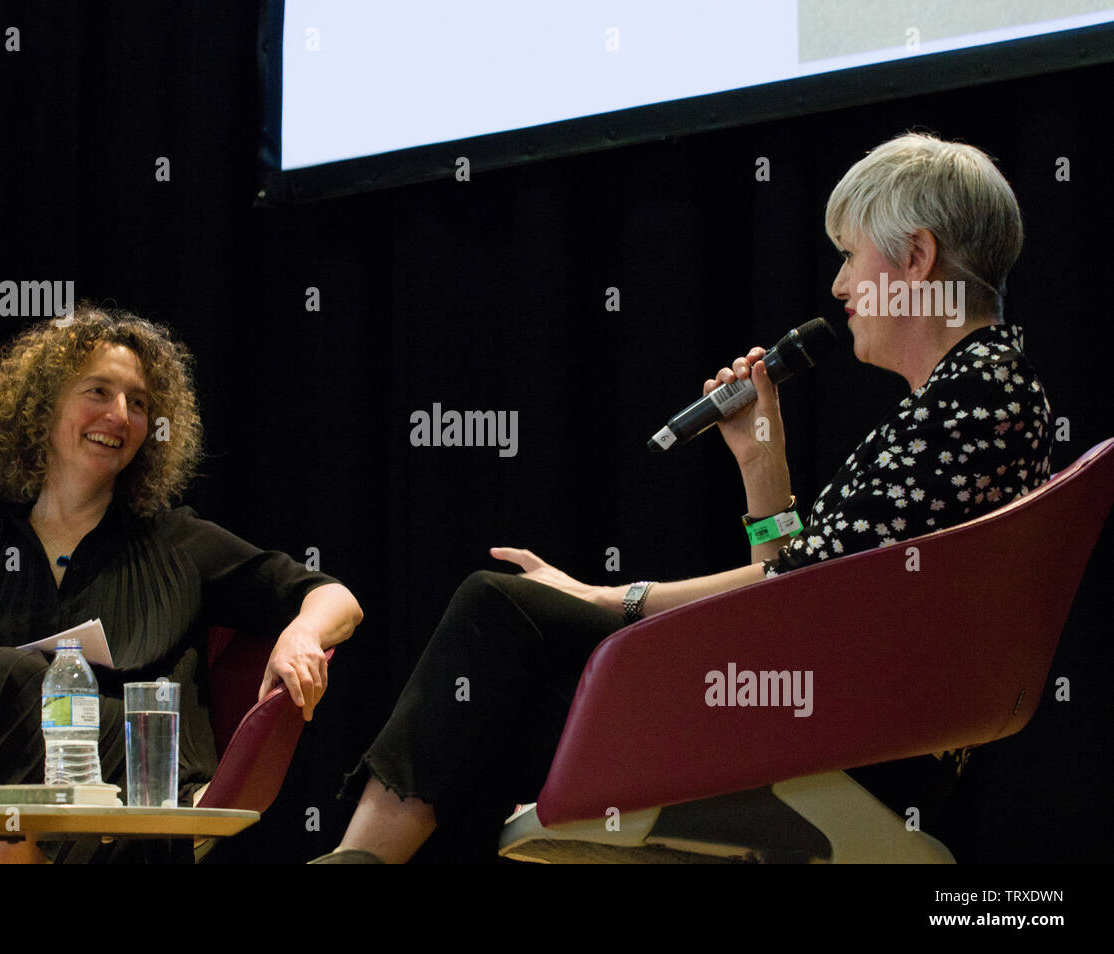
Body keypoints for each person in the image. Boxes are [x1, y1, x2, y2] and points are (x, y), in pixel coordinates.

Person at [319, 131, 1052, 863]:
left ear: (916, 258)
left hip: (852, 733)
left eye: (850, 256)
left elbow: (794, 591)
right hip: (829, 709)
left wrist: (613, 598)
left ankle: (361, 858)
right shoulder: (976, 390)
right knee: (505, 695)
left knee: (499, 612)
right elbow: (795, 587)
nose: (837, 287)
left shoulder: (981, 393)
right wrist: (763, 463)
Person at [0, 303, 363, 863]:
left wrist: (301, 634)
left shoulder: (179, 541)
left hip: (126, 794)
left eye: (139, 403)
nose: (120, 415)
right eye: (98, 392)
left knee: (10, 676)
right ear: (43, 407)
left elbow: (334, 596)